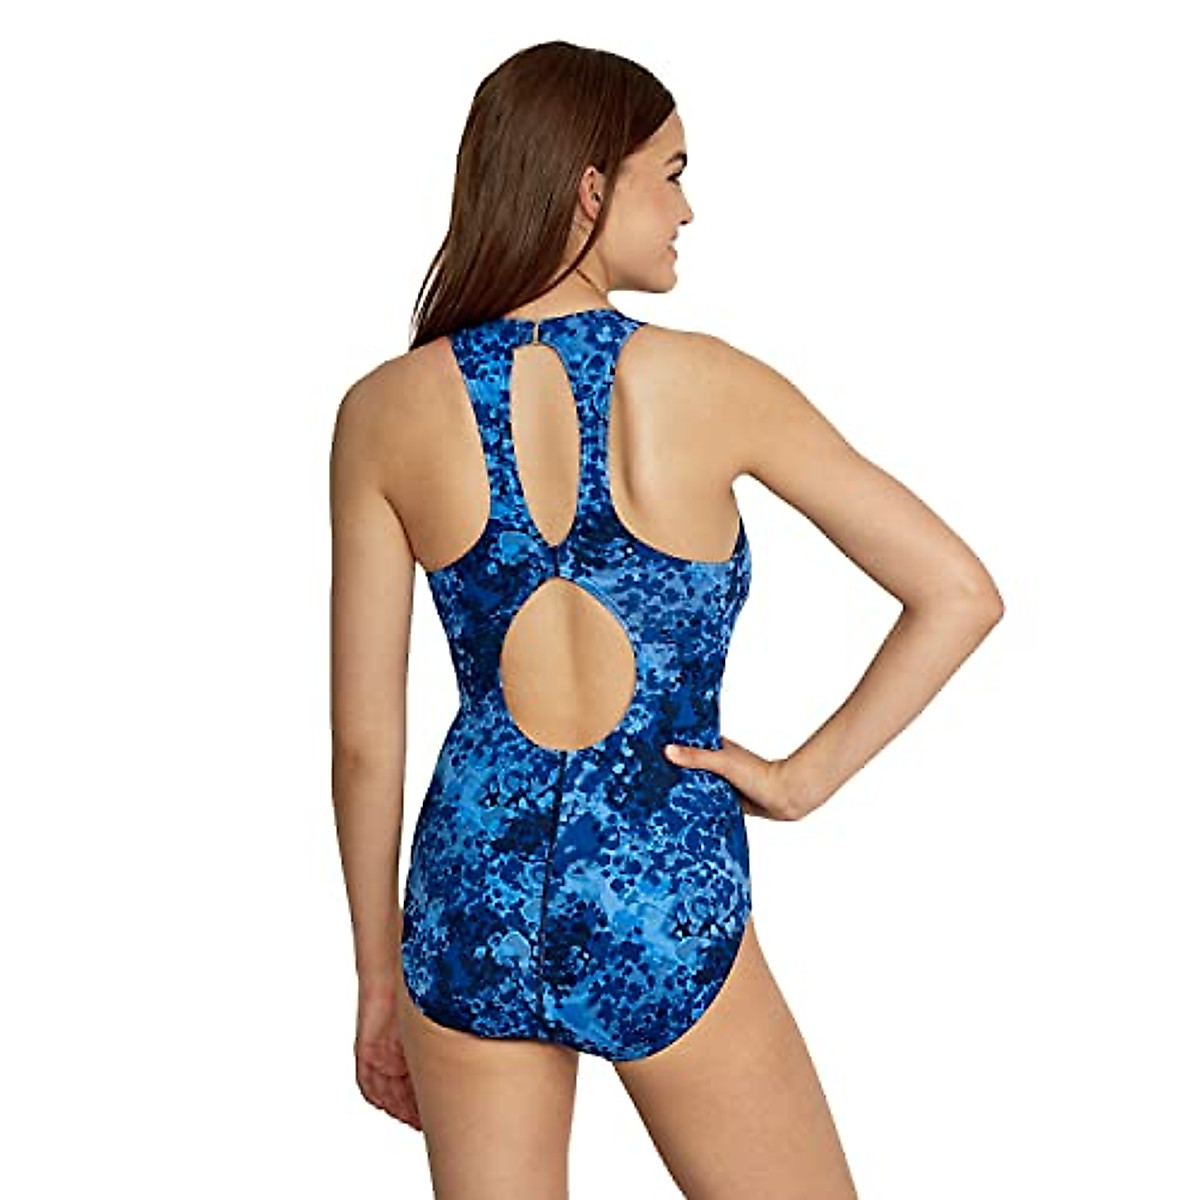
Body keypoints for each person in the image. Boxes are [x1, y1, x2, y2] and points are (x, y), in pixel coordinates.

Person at [329, 39, 1003, 1199]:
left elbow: (362, 744)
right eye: (674, 173)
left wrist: (379, 981)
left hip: (469, 893)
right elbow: (957, 590)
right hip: (658, 884)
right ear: (592, 187)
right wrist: (797, 780)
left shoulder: (383, 410)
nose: (687, 208)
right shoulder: (710, 383)